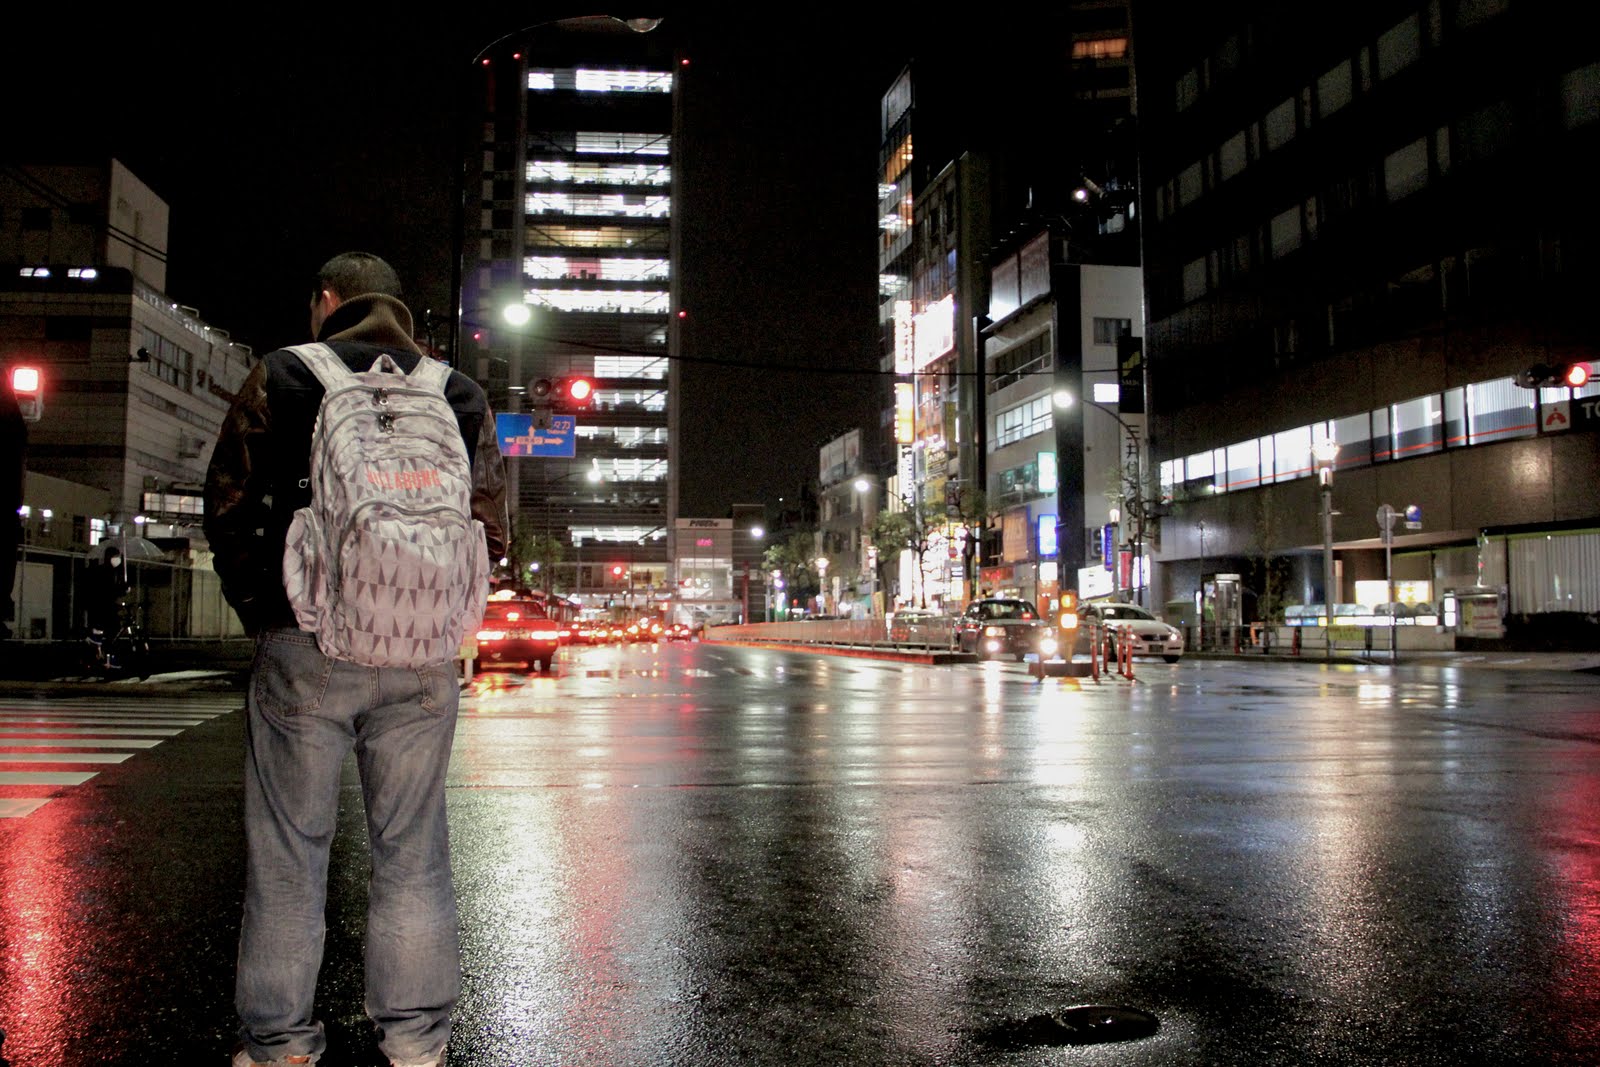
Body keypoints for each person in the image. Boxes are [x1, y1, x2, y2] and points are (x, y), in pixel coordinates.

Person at [204, 252, 508, 1067]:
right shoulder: (457, 391)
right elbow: (491, 525)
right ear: (400, 310)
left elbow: (227, 506)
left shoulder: (284, 374)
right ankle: (414, 1044)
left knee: (289, 856)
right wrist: (440, 618)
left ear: (328, 302)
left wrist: (273, 615)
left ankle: (278, 1046)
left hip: (306, 644)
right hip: (422, 655)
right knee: (412, 852)